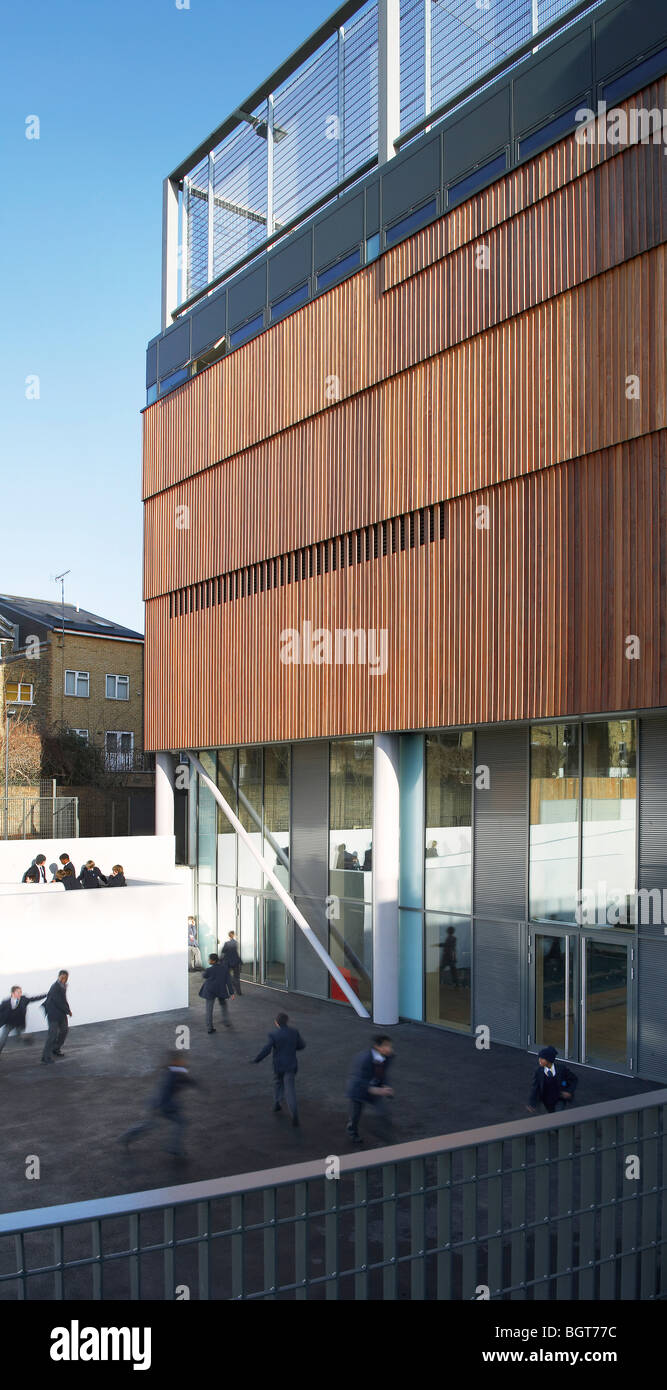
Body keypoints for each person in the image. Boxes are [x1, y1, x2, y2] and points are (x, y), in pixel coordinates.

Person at [120, 1053, 197, 1158]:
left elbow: (186, 1080)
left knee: (150, 1125)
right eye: (181, 1060)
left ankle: (126, 1137)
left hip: (160, 1105)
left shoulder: (174, 1071)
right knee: (178, 1123)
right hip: (161, 1106)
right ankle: (174, 1147)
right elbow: (166, 1091)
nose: (184, 1061)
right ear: (175, 1061)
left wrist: (195, 1084)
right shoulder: (172, 1074)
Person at [251, 1012, 305, 1126]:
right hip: (291, 1065)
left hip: (279, 1066)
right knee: (290, 1090)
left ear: (276, 1023)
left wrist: (257, 1059)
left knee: (278, 1083)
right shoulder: (294, 1032)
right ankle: (294, 1113)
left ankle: (277, 1102)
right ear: (287, 1021)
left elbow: (267, 1049)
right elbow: (301, 1045)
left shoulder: (273, 1034)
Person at [346, 1035, 395, 1144]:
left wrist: (385, 1086)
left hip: (375, 1087)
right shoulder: (364, 1060)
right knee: (355, 1115)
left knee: (382, 1111)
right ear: (377, 1047)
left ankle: (385, 1136)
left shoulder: (387, 1057)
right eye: (387, 1046)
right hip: (357, 1090)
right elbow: (360, 1083)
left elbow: (383, 1074)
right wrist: (380, 1091)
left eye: (390, 1046)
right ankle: (352, 1132)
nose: (390, 1049)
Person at [526, 1045, 578, 1114]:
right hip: (547, 1100)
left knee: (557, 1116)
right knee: (551, 1115)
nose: (539, 1060)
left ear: (549, 1060)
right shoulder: (539, 1071)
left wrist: (568, 1091)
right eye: (539, 1058)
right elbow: (536, 1088)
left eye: (542, 1058)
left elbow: (574, 1079)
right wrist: (532, 1103)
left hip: (559, 1098)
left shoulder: (561, 1069)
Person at [0, 985, 47, 1054]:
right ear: (13, 993)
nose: (20, 994)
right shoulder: (5, 1002)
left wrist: (46, 995)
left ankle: (27, 1037)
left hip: (19, 1023)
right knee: (3, 1039)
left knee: (18, 1038)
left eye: (20, 992)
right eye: (18, 992)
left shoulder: (24, 999)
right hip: (9, 1023)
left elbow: (34, 998)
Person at [41, 971, 72, 1064]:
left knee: (64, 1030)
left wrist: (67, 1010)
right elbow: (58, 1001)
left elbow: (63, 999)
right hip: (53, 1014)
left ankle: (55, 1049)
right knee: (52, 1035)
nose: (63, 979)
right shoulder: (54, 987)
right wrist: (68, 1011)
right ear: (58, 977)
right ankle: (45, 1057)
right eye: (62, 978)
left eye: (65, 978)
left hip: (61, 1013)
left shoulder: (63, 986)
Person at [199, 953, 235, 1032]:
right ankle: (226, 1021)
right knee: (223, 1006)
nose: (208, 960)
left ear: (213, 961)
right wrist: (231, 993)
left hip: (210, 991)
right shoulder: (225, 968)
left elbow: (204, 976)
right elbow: (228, 982)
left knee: (209, 1009)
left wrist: (203, 972)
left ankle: (210, 1028)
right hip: (220, 990)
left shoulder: (209, 970)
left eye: (209, 959)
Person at [221, 930, 242, 994]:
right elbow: (236, 952)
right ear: (234, 935)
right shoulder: (236, 943)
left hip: (228, 962)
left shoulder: (227, 943)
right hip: (236, 961)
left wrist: (221, 960)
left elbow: (223, 951)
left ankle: (232, 986)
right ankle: (239, 991)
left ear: (229, 936)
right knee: (237, 977)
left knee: (228, 975)